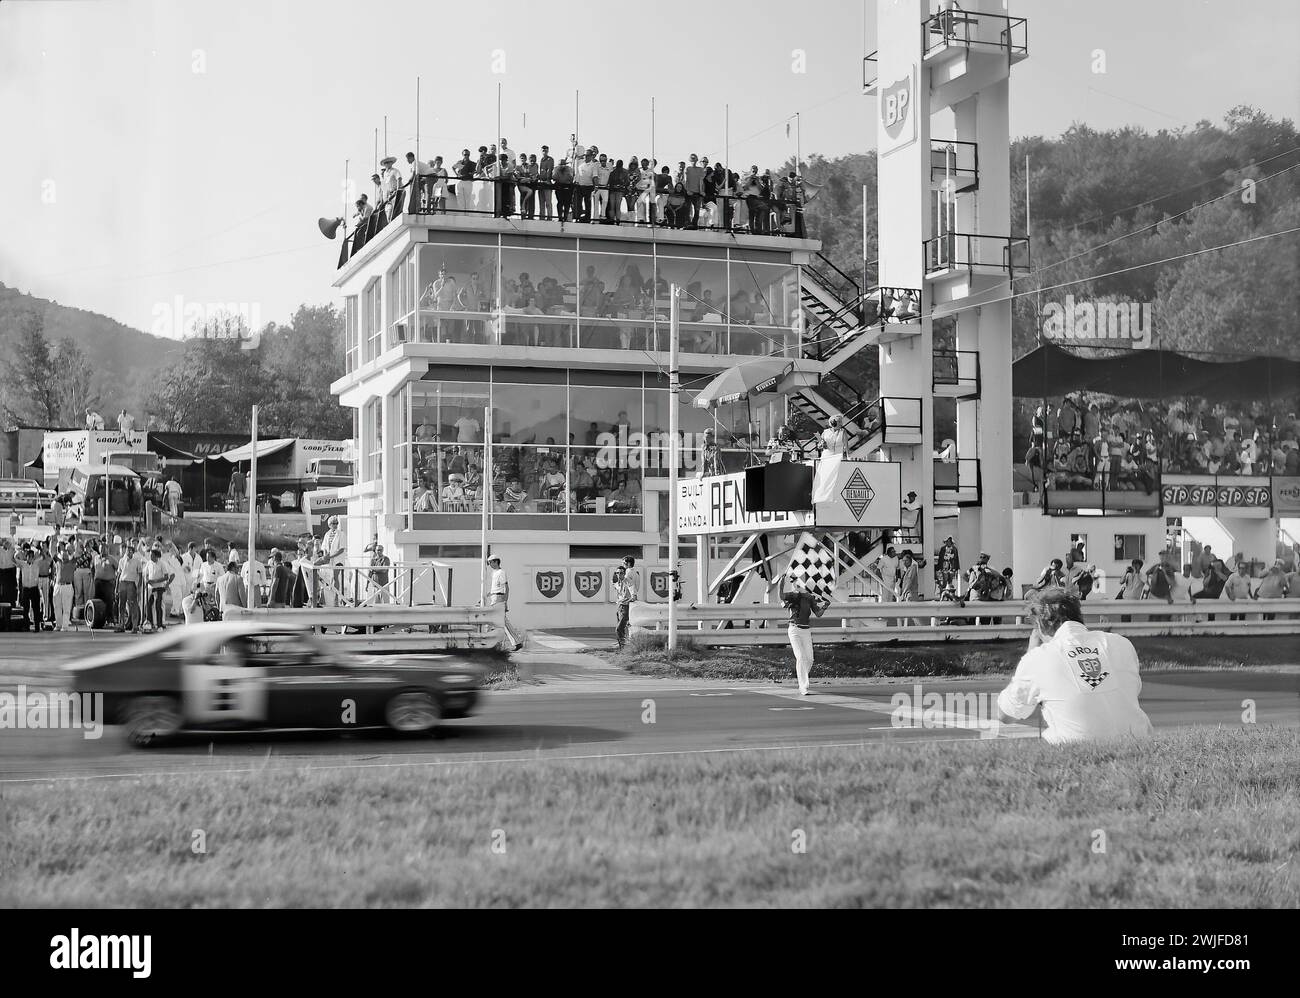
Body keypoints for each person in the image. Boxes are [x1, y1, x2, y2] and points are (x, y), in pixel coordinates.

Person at [996, 588, 1152, 745]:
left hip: (1074, 749)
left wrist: (1030, 653)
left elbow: (1006, 715)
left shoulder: (1038, 657)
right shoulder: (1121, 643)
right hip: (1139, 744)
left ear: (1040, 626)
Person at [781, 578, 828, 695]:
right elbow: (782, 596)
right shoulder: (794, 595)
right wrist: (780, 585)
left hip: (806, 630)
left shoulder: (809, 597)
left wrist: (825, 607)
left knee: (810, 659)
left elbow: (818, 614)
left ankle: (802, 679)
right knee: (801, 657)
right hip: (794, 629)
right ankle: (803, 686)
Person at [485, 554, 524, 651]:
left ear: (495, 562)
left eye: (490, 562)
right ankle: (515, 641)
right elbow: (495, 587)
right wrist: (488, 594)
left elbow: (506, 587)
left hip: (499, 597)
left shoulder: (501, 572)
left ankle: (489, 642)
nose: (489, 564)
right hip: (494, 597)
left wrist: (505, 601)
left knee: (499, 620)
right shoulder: (494, 573)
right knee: (500, 621)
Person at [115, 541, 144, 633]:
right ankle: (121, 625)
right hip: (122, 583)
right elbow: (119, 575)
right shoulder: (121, 561)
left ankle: (135, 626)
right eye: (127, 551)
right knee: (121, 605)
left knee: (133, 605)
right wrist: (116, 587)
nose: (128, 553)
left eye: (130, 551)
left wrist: (139, 587)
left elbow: (140, 575)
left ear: (133, 552)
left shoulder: (137, 562)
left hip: (131, 583)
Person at [614, 555, 639, 650]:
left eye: (623, 563)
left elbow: (631, 589)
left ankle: (623, 647)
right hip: (621, 604)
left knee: (620, 628)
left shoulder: (628, 573)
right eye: (617, 573)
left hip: (625, 605)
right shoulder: (635, 573)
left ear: (628, 564)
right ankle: (623, 646)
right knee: (624, 628)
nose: (618, 574)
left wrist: (628, 600)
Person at [145, 547, 173, 631]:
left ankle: (160, 625)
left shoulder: (162, 563)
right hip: (150, 588)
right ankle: (149, 624)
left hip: (159, 587)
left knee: (158, 605)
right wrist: (148, 580)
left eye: (152, 555)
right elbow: (146, 574)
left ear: (156, 556)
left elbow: (166, 576)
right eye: (150, 555)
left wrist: (155, 580)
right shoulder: (149, 563)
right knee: (149, 605)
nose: (150, 557)